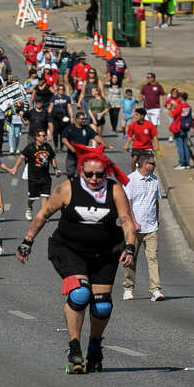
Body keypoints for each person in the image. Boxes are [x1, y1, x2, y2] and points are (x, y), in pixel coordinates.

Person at [16, 144, 137, 373]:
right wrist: (27, 241)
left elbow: (126, 220)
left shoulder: (114, 190)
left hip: (105, 252)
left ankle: (95, 346)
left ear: (106, 172)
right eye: (89, 174)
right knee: (80, 293)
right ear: (81, 171)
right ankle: (74, 349)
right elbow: (43, 214)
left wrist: (129, 247)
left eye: (99, 174)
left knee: (102, 305)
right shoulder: (67, 188)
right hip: (69, 249)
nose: (94, 179)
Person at [122, 151, 164, 301]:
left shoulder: (154, 180)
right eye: (152, 163)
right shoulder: (130, 180)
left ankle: (155, 289)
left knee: (153, 258)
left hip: (151, 227)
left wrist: (156, 220)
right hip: (134, 229)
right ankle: (128, 288)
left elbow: (156, 201)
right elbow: (127, 204)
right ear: (145, 164)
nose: (154, 165)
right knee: (130, 258)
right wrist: (133, 223)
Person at [9, 128, 59, 221]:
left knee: (45, 196)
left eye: (45, 135)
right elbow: (21, 157)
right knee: (32, 198)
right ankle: (29, 208)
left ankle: (43, 214)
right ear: (37, 137)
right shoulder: (30, 147)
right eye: (43, 136)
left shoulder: (48, 147)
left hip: (45, 176)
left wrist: (56, 169)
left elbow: (52, 158)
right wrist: (15, 167)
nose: (45, 137)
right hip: (33, 177)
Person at [169, 92, 193, 169]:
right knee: (185, 145)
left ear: (181, 98)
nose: (178, 98)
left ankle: (181, 163)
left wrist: (170, 108)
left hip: (178, 128)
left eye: (179, 97)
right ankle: (187, 163)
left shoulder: (180, 106)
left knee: (180, 146)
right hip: (185, 127)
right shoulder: (188, 106)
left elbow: (172, 115)